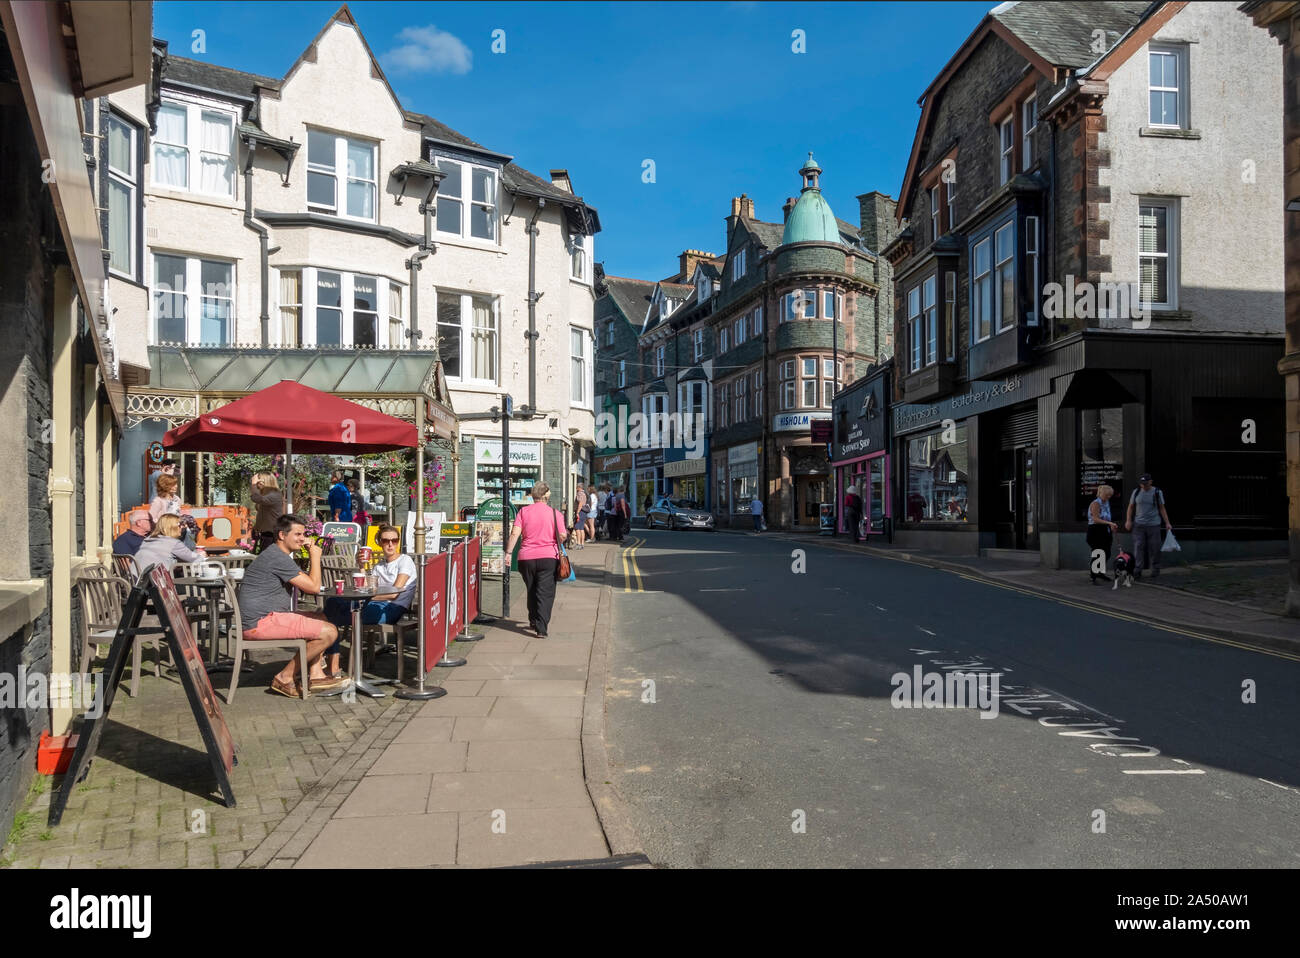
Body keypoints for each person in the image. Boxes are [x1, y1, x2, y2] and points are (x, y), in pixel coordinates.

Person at [238, 514, 344, 696]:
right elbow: (313, 587)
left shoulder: (277, 555)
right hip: (259, 623)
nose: (302, 539)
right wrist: (315, 556)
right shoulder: (277, 557)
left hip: (266, 617)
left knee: (321, 617)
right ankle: (285, 677)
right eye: (297, 534)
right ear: (281, 535)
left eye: (303, 534)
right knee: (329, 632)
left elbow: (307, 581)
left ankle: (316, 674)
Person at [321, 523, 416, 679]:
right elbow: (366, 588)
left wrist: (366, 597)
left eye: (394, 540)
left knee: (332, 619)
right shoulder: (379, 566)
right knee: (333, 602)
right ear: (379, 542)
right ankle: (329, 660)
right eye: (386, 541)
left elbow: (394, 594)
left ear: (399, 541)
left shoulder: (405, 561)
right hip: (373, 605)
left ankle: (328, 661)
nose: (390, 544)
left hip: (392, 609)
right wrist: (362, 566)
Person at [505, 481, 567, 638]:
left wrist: (508, 553)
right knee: (545, 592)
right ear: (546, 495)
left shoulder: (523, 512)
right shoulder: (555, 513)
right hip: (548, 557)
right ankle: (541, 627)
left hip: (526, 558)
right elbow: (562, 536)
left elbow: (514, 534)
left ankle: (533, 619)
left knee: (532, 589)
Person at [1125, 473, 1172, 580]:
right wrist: (1128, 520)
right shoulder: (1136, 492)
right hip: (1138, 525)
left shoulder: (1157, 492)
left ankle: (1155, 569)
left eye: (1146, 484)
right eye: (1142, 484)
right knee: (1138, 546)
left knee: (1155, 548)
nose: (1144, 486)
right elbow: (1130, 507)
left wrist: (1167, 523)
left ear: (1150, 482)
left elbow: (1162, 508)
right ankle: (1137, 570)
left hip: (1153, 525)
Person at [133, 513, 201, 575]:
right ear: (172, 527)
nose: (183, 527)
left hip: (133, 579)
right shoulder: (173, 543)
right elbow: (195, 559)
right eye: (180, 524)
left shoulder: (147, 540)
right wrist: (201, 555)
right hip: (152, 584)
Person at [1087, 483, 1119, 584]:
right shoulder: (1096, 503)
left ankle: (1099, 572)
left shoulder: (1106, 502)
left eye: (1110, 495)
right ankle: (1093, 576)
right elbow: (1096, 519)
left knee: (1107, 553)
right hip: (1095, 530)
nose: (1109, 497)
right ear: (1101, 493)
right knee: (1098, 553)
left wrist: (1111, 526)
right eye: (1107, 495)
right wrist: (1109, 523)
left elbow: (1106, 517)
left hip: (1105, 530)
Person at [250, 472, 284, 553]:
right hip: (265, 534)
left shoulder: (275, 494)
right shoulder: (266, 495)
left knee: (268, 562)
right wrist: (256, 528)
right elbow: (263, 514)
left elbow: (256, 498)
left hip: (272, 535)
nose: (257, 486)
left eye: (258, 483)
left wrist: (253, 484)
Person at [573, 484, 588, 550]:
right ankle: (582, 544)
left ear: (579, 487)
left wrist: (577, 512)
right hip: (584, 513)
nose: (576, 488)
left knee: (577, 528)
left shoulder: (579, 493)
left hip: (580, 512)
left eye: (577, 487)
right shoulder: (584, 494)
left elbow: (580, 503)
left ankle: (578, 544)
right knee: (581, 528)